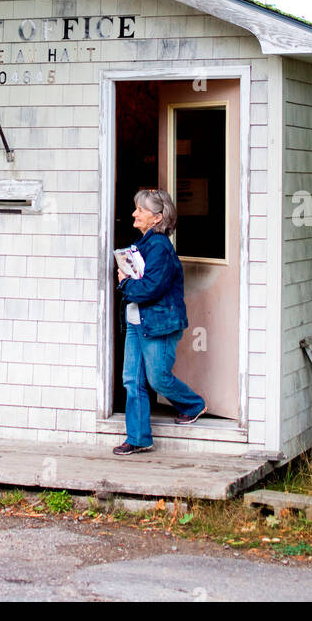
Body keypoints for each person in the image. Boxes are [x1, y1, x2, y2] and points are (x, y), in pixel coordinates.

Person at [113, 188, 206, 455]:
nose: (134, 213)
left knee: (158, 378)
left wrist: (125, 284)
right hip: (138, 322)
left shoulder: (160, 248)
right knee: (132, 380)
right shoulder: (144, 244)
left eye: (140, 210)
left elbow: (151, 288)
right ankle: (139, 438)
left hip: (158, 324)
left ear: (156, 218)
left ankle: (193, 404)